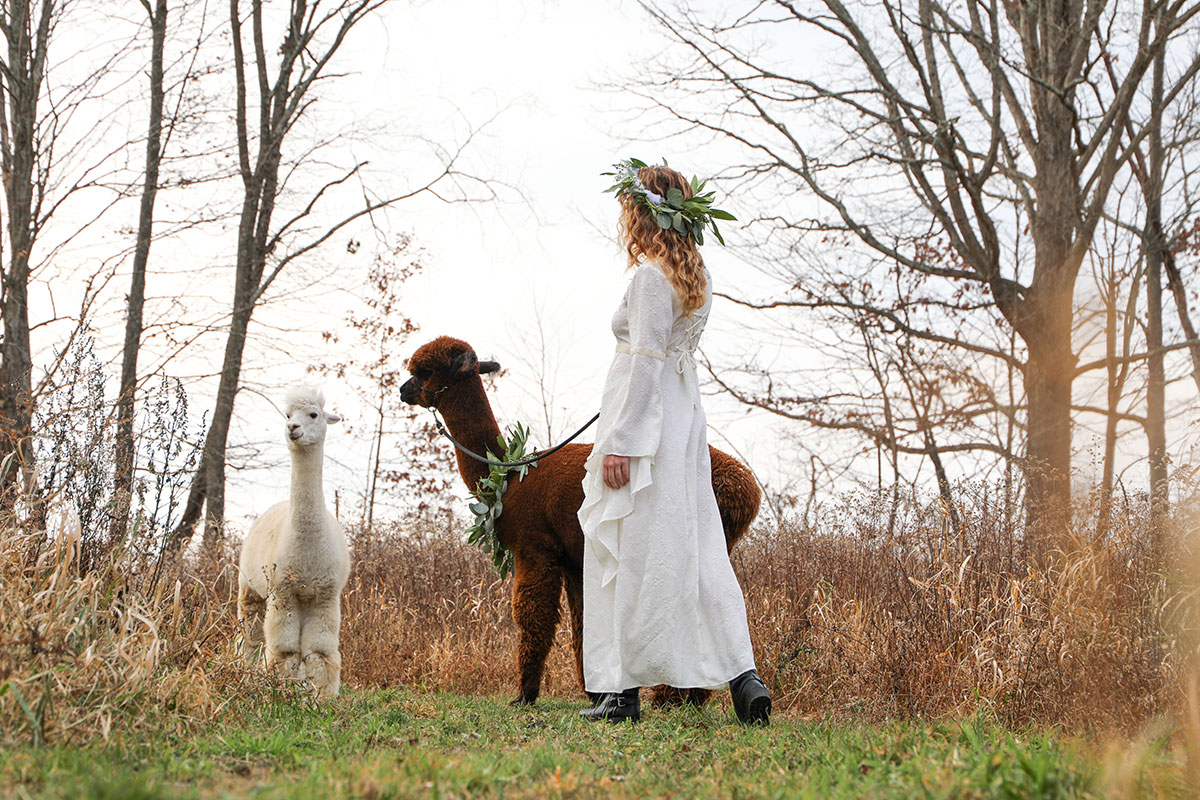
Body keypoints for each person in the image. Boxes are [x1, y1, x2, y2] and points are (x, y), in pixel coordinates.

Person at [576, 159, 771, 725]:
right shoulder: (698, 279)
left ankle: (620, 693)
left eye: (629, 212)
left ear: (644, 214)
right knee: (698, 549)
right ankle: (744, 678)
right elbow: (667, 361)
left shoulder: (647, 278)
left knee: (626, 549)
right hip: (684, 424)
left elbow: (644, 364)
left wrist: (621, 443)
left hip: (647, 427)